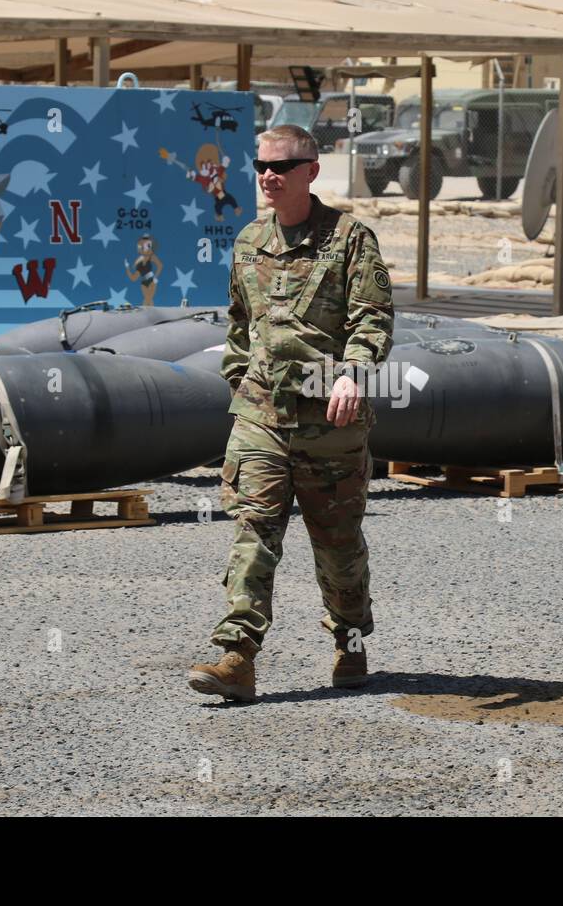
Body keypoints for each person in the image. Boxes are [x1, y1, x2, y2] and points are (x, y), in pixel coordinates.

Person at [188, 124, 395, 703]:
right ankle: (238, 656)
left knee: (338, 543)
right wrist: (242, 382)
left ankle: (350, 641)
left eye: (281, 165)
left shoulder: (351, 239)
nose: (267, 176)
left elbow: (372, 318)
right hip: (260, 418)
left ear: (312, 170)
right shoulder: (250, 239)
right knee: (254, 532)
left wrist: (353, 372)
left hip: (330, 422)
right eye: (259, 166)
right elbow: (237, 323)